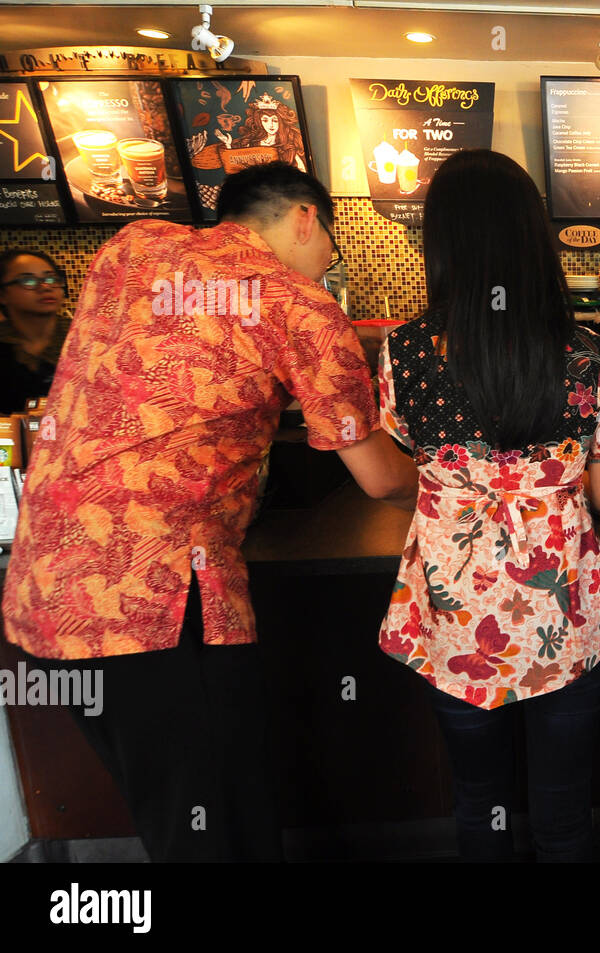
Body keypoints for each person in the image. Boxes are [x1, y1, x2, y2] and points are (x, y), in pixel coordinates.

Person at [1, 161, 417, 861]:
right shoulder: (299, 306)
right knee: (217, 826)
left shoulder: (130, 246)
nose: (327, 268)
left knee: (172, 814)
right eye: (331, 250)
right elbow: (377, 476)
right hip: (158, 599)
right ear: (304, 217)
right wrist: (447, 472)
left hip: (50, 588)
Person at [374, 150, 600, 863]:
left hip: (456, 615)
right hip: (564, 616)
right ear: (534, 238)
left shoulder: (403, 354)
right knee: (564, 817)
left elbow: (400, 457)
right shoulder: (588, 355)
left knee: (477, 805)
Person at [0, 248, 68, 414]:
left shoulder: (88, 339)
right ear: (2, 294)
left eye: (51, 279)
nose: (45, 287)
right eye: (28, 281)